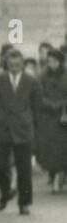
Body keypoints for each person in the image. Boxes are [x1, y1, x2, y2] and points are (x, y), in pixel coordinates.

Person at [0, 47, 38, 215]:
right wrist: (1, 118)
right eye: (11, 64)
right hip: (2, 128)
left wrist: (31, 126)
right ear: (6, 64)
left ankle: (24, 203)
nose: (14, 67)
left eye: (17, 64)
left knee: (24, 168)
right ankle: (6, 191)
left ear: (23, 64)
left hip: (23, 128)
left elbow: (36, 107)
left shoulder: (32, 82)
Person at [34, 47, 67, 193]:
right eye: (49, 61)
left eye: (54, 61)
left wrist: (61, 104)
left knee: (61, 149)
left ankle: (58, 178)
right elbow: (38, 94)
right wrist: (49, 104)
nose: (51, 64)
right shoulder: (42, 76)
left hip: (63, 116)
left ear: (60, 62)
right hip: (47, 117)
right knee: (49, 150)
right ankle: (53, 175)